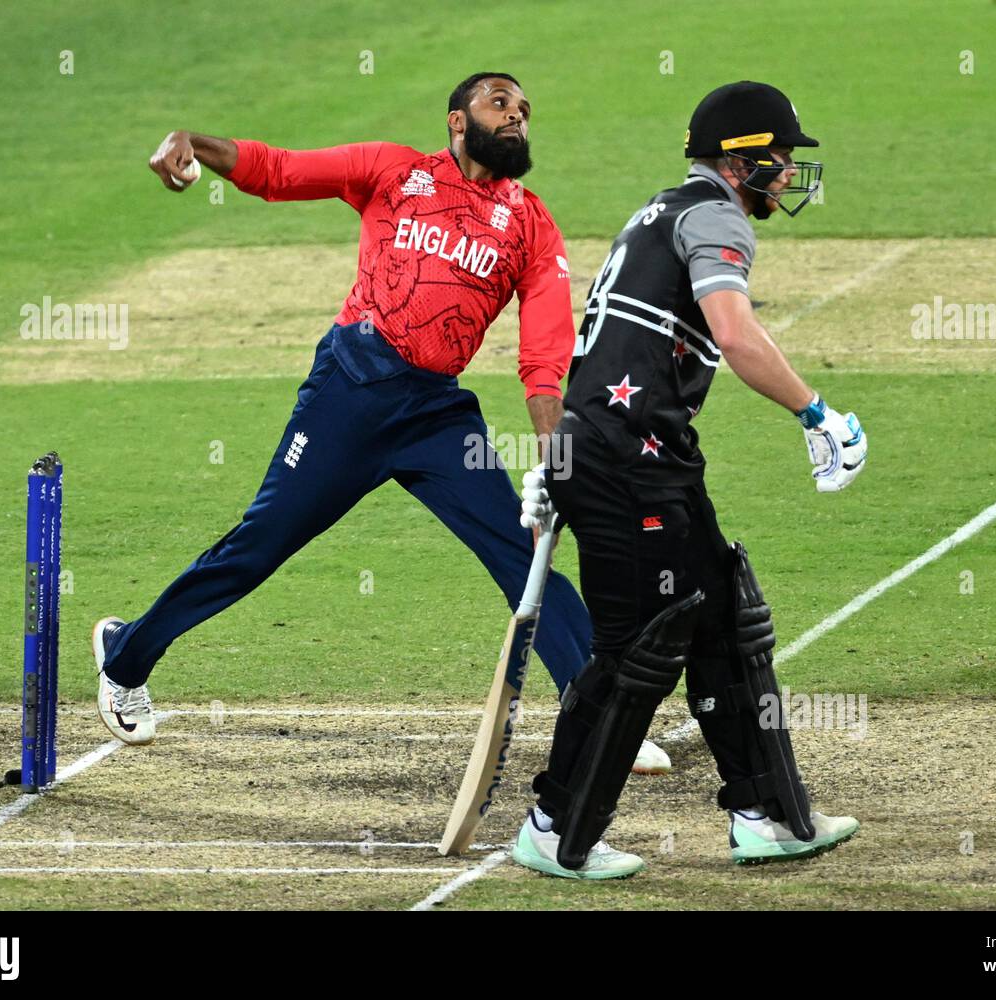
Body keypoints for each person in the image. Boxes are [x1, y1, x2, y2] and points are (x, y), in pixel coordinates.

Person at [92, 73, 669, 777]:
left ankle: (601, 709)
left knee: (525, 553)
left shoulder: (530, 222)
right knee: (259, 545)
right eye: (500, 103)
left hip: (434, 413)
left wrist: (555, 464)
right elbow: (277, 171)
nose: (516, 115)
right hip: (350, 393)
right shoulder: (394, 170)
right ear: (457, 121)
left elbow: (544, 358)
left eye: (524, 109)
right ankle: (125, 655)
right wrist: (192, 143)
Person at [511, 81, 867, 879]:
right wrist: (818, 415)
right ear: (739, 161)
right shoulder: (714, 218)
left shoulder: (662, 210)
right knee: (638, 647)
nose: (787, 174)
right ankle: (553, 826)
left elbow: (600, 348)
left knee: (720, 616)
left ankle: (766, 815)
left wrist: (559, 460)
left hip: (633, 455)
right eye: (778, 159)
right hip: (627, 460)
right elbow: (735, 334)